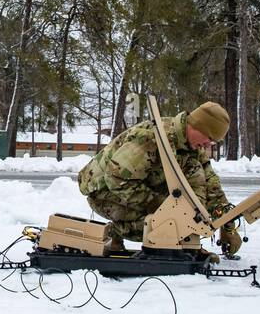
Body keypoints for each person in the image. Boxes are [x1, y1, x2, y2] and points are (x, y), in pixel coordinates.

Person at [78, 101, 240, 255]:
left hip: (138, 187)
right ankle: (115, 232)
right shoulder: (152, 138)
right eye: (210, 139)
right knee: (163, 225)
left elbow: (210, 185)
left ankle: (186, 244)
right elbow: (116, 180)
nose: (208, 145)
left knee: (194, 174)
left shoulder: (192, 147)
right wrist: (162, 207)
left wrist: (227, 224)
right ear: (197, 127)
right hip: (104, 193)